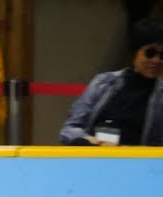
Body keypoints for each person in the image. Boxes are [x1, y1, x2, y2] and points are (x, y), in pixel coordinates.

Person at [60, 17, 163, 146]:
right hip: (95, 157)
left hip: (138, 163)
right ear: (135, 52)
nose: (156, 60)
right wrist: (90, 142)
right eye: (150, 53)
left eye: (162, 55)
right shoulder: (104, 82)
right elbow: (69, 129)